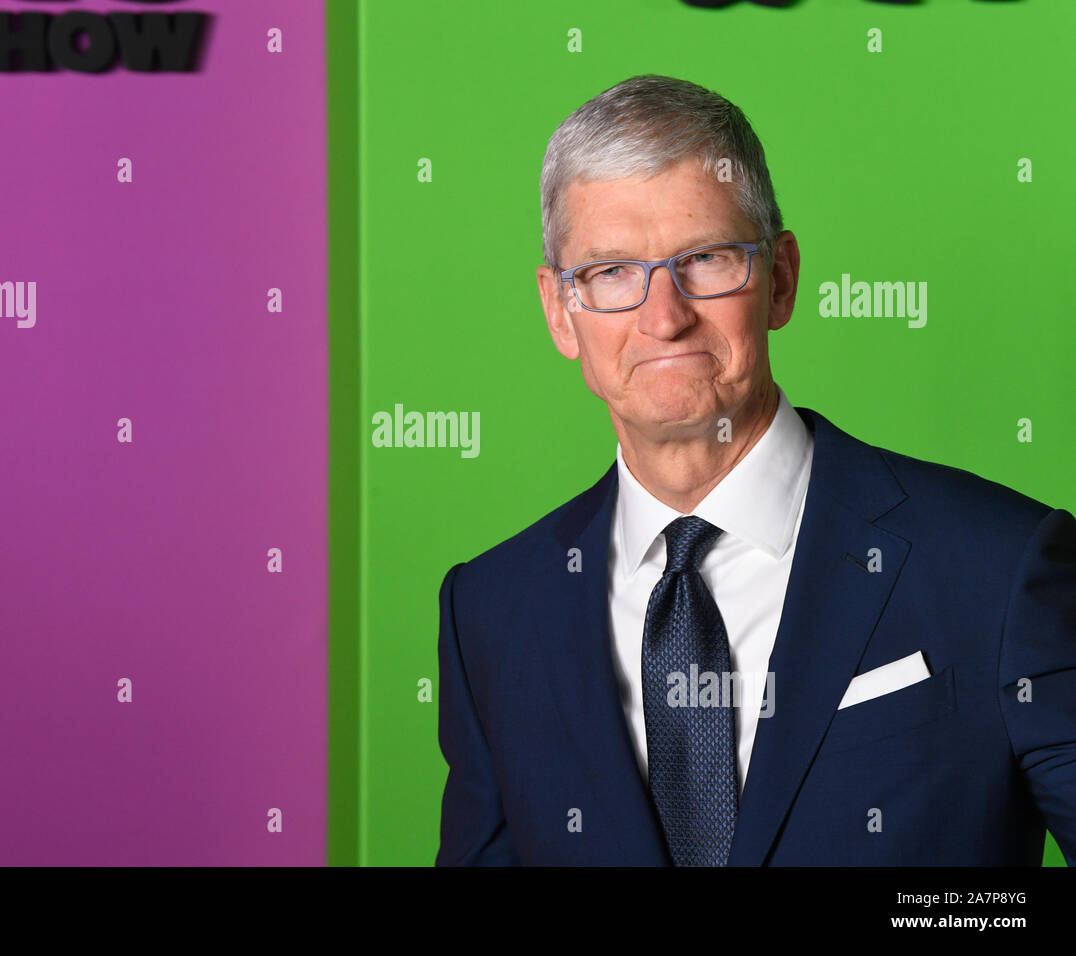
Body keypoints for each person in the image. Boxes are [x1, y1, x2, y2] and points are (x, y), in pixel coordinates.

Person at [435, 74, 1076, 866]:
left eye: (705, 259)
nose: (664, 317)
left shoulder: (999, 569)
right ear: (559, 311)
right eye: (611, 273)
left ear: (782, 279)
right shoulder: (491, 612)